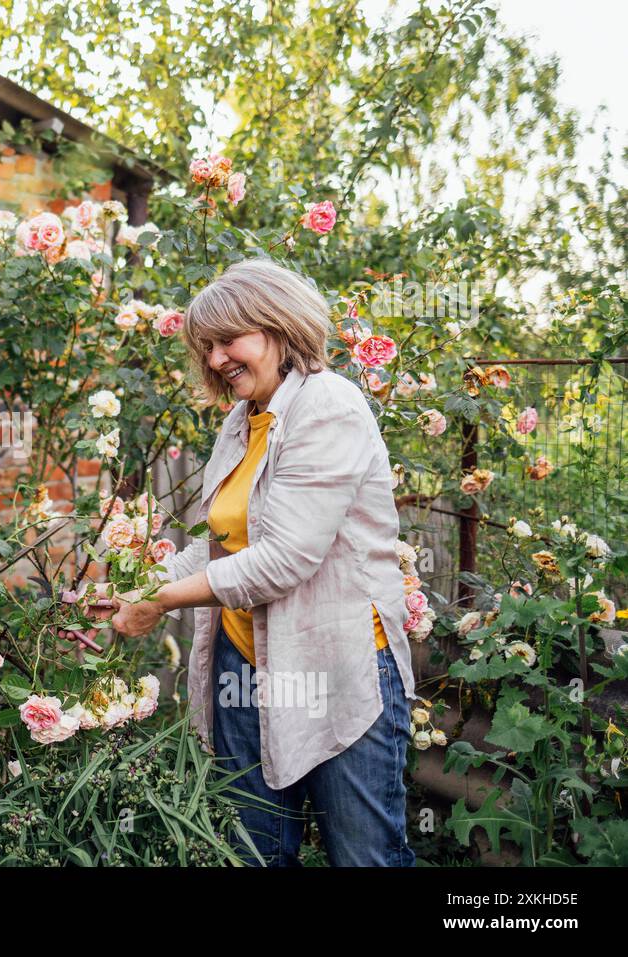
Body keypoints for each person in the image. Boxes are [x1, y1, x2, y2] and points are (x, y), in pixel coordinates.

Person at [109, 258, 417, 866]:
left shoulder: (328, 405)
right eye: (208, 347)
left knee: (363, 857)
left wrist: (163, 602)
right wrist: (139, 584)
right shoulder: (243, 421)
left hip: (334, 665)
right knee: (252, 854)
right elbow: (227, 543)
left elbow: (283, 560)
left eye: (230, 340)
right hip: (243, 666)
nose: (218, 358)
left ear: (279, 329)